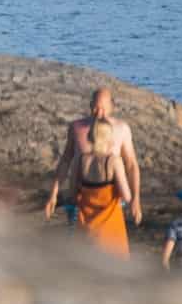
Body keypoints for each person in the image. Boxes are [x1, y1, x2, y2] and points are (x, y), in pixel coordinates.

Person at [46, 95, 132, 255]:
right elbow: (127, 196)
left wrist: (56, 195)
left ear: (91, 137)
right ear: (109, 139)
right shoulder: (113, 161)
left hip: (86, 231)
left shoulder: (80, 160)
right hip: (110, 233)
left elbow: (72, 194)